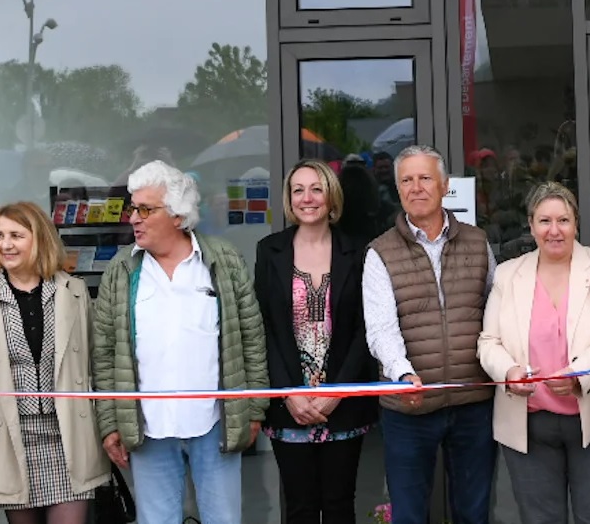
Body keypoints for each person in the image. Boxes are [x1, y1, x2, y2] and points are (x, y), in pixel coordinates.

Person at [93, 162, 266, 524]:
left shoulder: (223, 260)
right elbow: (105, 353)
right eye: (133, 208)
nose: (134, 218)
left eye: (146, 209)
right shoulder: (122, 270)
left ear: (177, 214)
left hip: (214, 423)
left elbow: (251, 337)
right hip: (148, 428)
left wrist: (254, 408)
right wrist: (111, 422)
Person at [477, 182, 590, 524]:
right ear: (531, 224)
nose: (554, 231)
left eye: (563, 220)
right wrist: (508, 372)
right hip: (529, 421)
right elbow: (488, 341)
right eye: (544, 221)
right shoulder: (508, 274)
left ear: (576, 223)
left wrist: (580, 373)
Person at [363, 145, 498, 524]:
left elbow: (498, 314)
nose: (416, 187)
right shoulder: (380, 253)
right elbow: (380, 329)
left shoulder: (477, 242)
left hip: (472, 400)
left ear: (444, 186)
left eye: (425, 178)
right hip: (409, 408)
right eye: (407, 179)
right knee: (408, 515)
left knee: (473, 513)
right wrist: (403, 374)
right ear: (398, 189)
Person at [0, 202, 107, 523]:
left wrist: (109, 430)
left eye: (16, 235)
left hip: (68, 438)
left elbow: (97, 368)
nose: (6, 244)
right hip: (9, 440)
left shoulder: (74, 293)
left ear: (39, 238)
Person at [256, 160, 379, 524]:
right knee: (300, 507)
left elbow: (365, 328)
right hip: (288, 404)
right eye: (298, 190)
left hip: (343, 402)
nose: (307, 198)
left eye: (316, 189)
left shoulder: (358, 251)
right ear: (289, 199)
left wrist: (338, 391)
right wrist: (288, 392)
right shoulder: (270, 250)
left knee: (340, 504)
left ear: (331, 197)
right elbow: (264, 327)